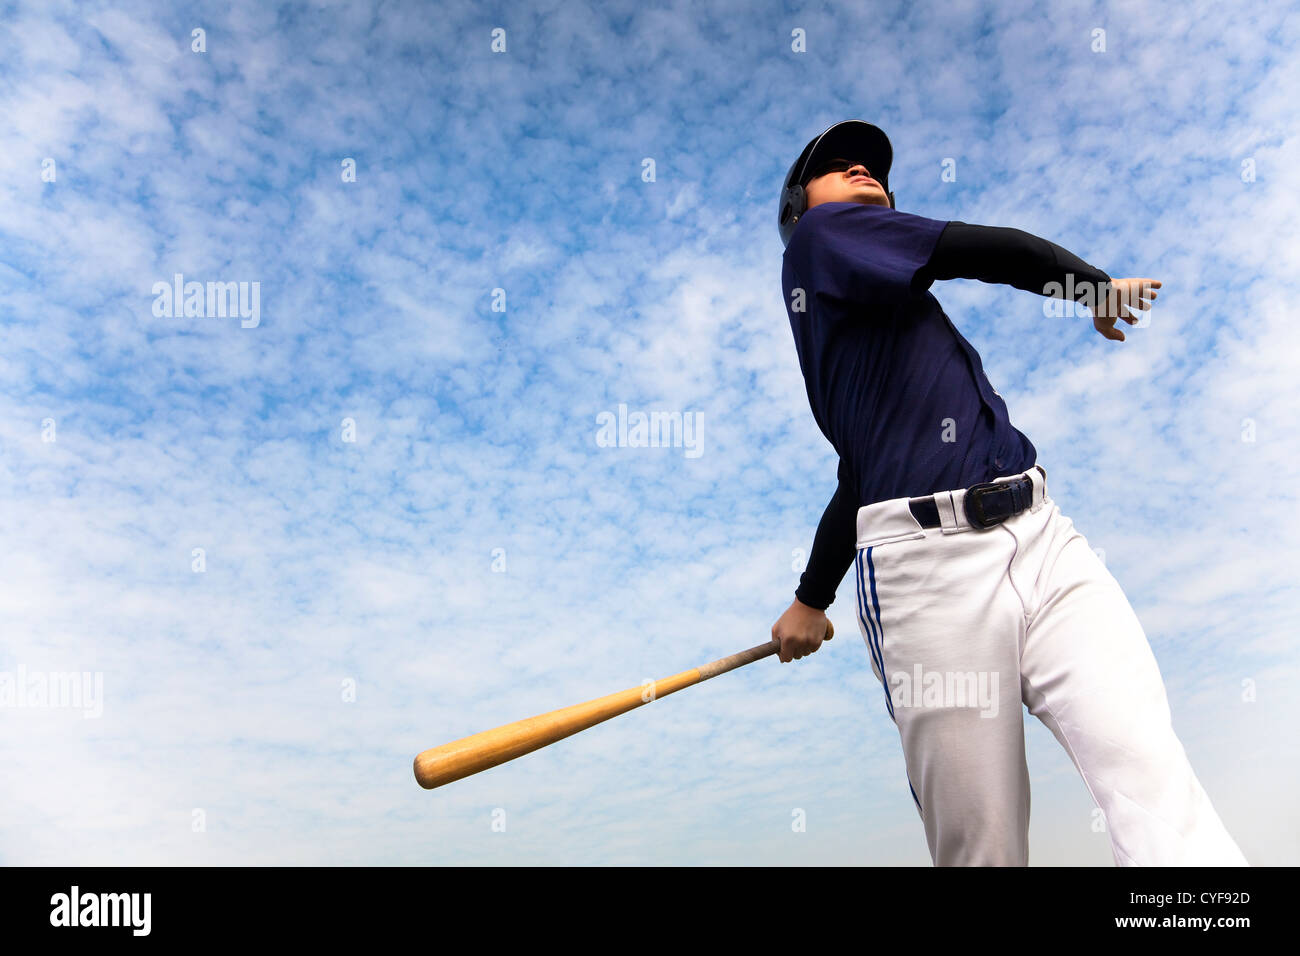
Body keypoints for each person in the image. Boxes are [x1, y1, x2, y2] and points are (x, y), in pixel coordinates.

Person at [770, 120, 1248, 867]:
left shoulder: (872, 315)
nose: (862, 167)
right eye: (835, 167)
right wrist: (1088, 286)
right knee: (983, 851)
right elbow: (987, 250)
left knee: (1154, 784)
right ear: (801, 207)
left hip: (1044, 538)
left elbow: (855, 472)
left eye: (870, 166)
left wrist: (810, 599)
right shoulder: (818, 240)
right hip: (928, 574)